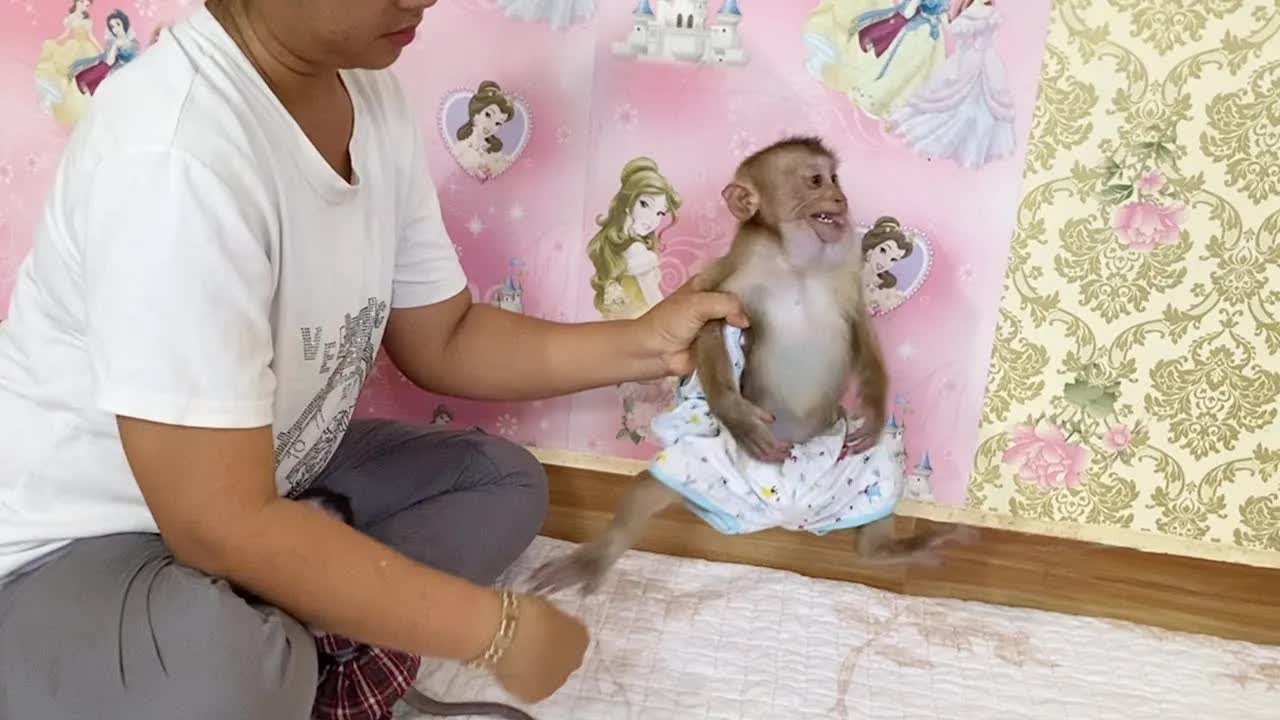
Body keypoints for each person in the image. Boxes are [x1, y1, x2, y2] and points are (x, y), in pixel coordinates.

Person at [0, 1, 748, 719]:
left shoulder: (370, 97)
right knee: (227, 674)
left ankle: (293, 621)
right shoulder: (177, 157)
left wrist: (644, 343)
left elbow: (444, 337)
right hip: (77, 545)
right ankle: (273, 638)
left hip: (260, 479)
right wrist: (494, 630)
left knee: (500, 484)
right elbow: (213, 525)